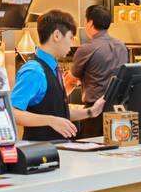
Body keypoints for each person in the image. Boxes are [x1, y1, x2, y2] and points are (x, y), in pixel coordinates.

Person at [10, 10, 105, 141]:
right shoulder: (34, 71)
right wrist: (50, 121)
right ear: (57, 35)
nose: (72, 44)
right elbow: (12, 113)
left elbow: (58, 113)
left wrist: (91, 112)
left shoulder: (53, 69)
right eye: (71, 37)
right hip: (40, 155)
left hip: (59, 151)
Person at [70, 4, 127, 137]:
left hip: (95, 110)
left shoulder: (87, 48)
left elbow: (72, 78)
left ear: (90, 23)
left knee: (93, 150)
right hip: (119, 108)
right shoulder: (121, 46)